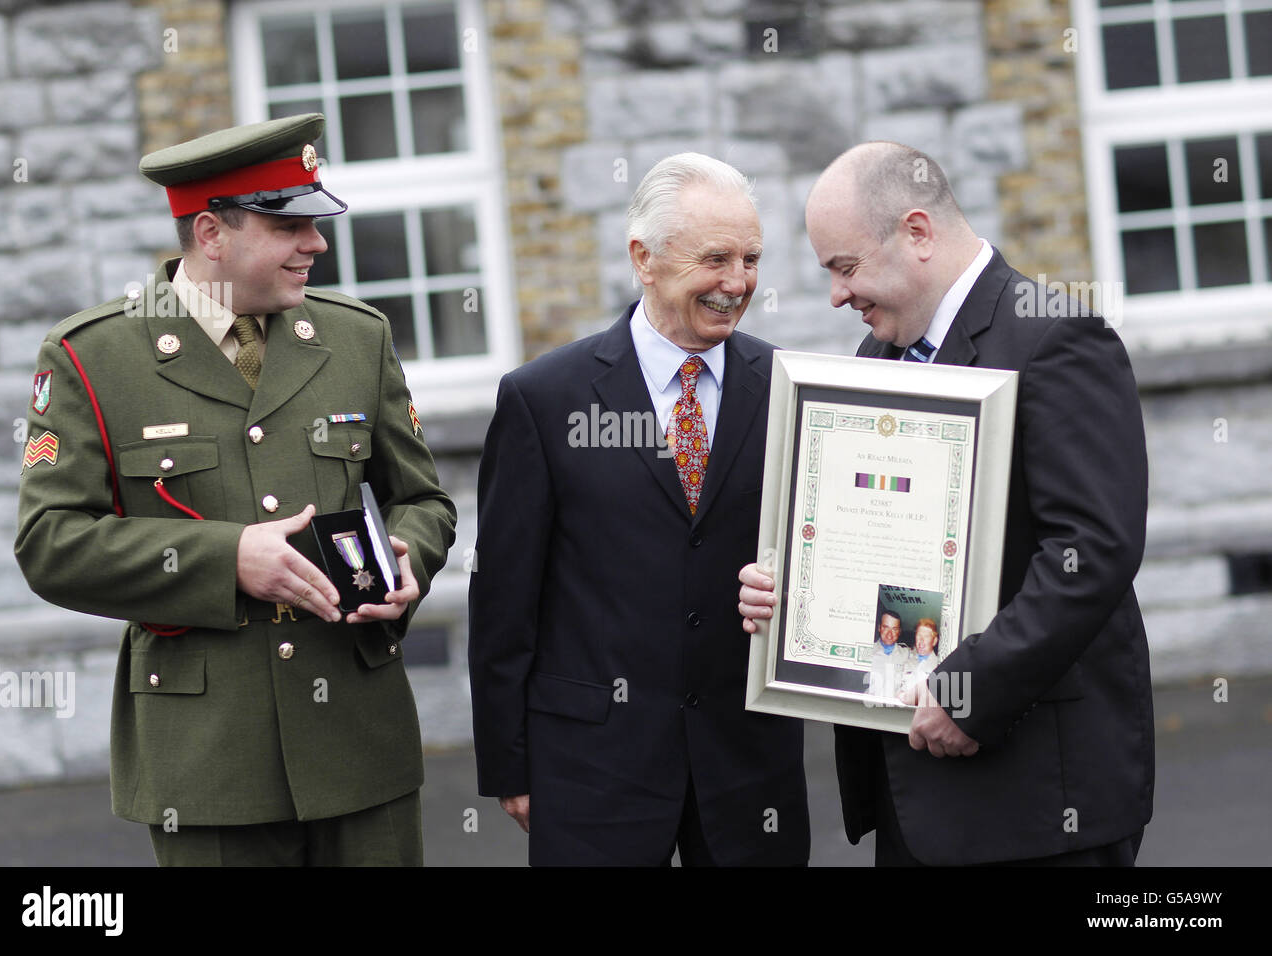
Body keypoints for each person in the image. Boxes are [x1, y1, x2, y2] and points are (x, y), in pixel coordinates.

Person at [15, 113, 457, 866]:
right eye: (289, 227)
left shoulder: (357, 337)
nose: (316, 244)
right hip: (210, 764)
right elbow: (51, 542)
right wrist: (228, 559)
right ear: (212, 233)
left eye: (316, 224)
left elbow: (424, 501)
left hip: (360, 739)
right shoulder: (95, 357)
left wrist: (407, 553)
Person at [739, 141, 1152, 866]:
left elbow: (1090, 553)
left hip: (1038, 801)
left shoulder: (1056, 336)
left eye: (845, 266)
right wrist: (793, 591)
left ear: (918, 232)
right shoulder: (879, 359)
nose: (837, 294)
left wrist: (968, 691)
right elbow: (877, 548)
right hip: (912, 796)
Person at [468, 153, 809, 866]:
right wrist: (511, 763)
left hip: (748, 768)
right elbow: (504, 600)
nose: (737, 283)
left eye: (750, 258)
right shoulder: (544, 399)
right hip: (593, 769)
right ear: (644, 260)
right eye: (714, 258)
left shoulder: (791, 388)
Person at [867, 611, 911, 698]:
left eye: (894, 629)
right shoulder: (867, 652)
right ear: (879, 628)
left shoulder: (908, 654)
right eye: (886, 627)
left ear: (899, 631)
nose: (889, 634)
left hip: (895, 709)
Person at [897, 619, 940, 705]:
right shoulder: (907, 660)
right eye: (919, 636)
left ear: (934, 641)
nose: (921, 641)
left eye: (926, 636)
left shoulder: (939, 666)